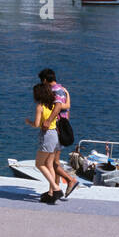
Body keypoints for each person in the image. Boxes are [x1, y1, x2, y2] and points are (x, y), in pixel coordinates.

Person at [38, 68, 79, 198]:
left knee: (52, 163)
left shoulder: (57, 91)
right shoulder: (60, 90)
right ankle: (53, 191)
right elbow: (66, 108)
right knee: (54, 162)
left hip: (56, 129)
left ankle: (69, 181)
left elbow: (59, 107)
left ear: (45, 80)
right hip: (58, 128)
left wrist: (48, 120)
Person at [27, 83, 62, 203]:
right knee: (49, 164)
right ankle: (51, 192)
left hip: (46, 136)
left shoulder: (40, 106)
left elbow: (37, 124)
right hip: (55, 135)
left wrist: (29, 122)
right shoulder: (53, 105)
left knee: (39, 164)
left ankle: (56, 188)